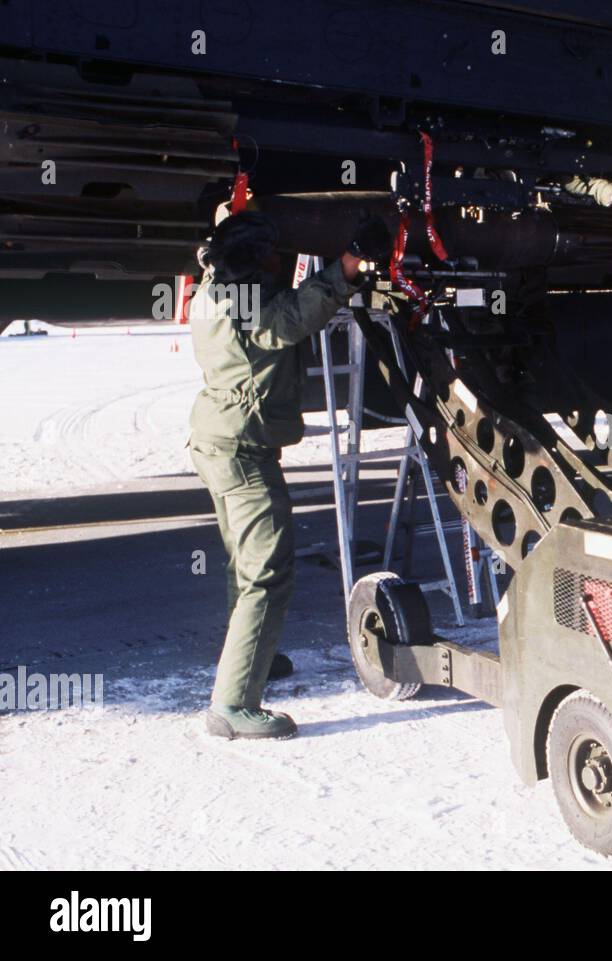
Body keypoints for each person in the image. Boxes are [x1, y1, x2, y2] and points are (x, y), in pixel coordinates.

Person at [188, 208, 392, 739]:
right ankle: (233, 706)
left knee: (243, 565)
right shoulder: (244, 301)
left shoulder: (211, 291)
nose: (279, 264)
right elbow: (289, 320)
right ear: (253, 260)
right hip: (242, 450)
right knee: (267, 573)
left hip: (220, 440)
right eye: (271, 256)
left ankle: (253, 658)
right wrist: (345, 268)